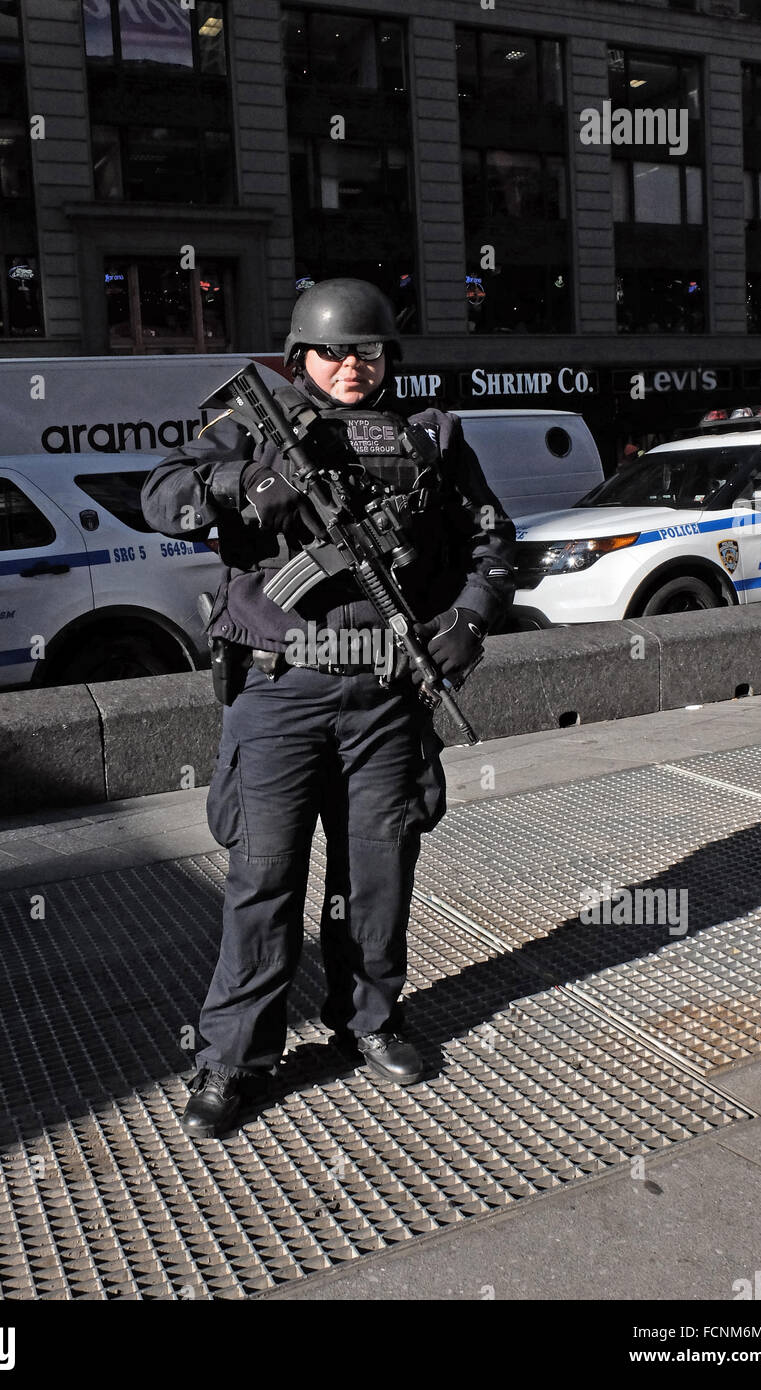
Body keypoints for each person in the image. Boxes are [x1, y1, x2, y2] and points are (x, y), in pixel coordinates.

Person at [141, 278, 516, 1137]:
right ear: (300, 355)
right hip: (281, 691)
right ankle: (233, 1058)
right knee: (262, 879)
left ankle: (370, 1017)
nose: (352, 366)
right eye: (334, 352)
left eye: (369, 352)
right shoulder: (253, 424)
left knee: (376, 877)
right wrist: (246, 483)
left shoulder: (430, 436)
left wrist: (468, 620)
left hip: (386, 693)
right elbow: (161, 495)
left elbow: (493, 541)